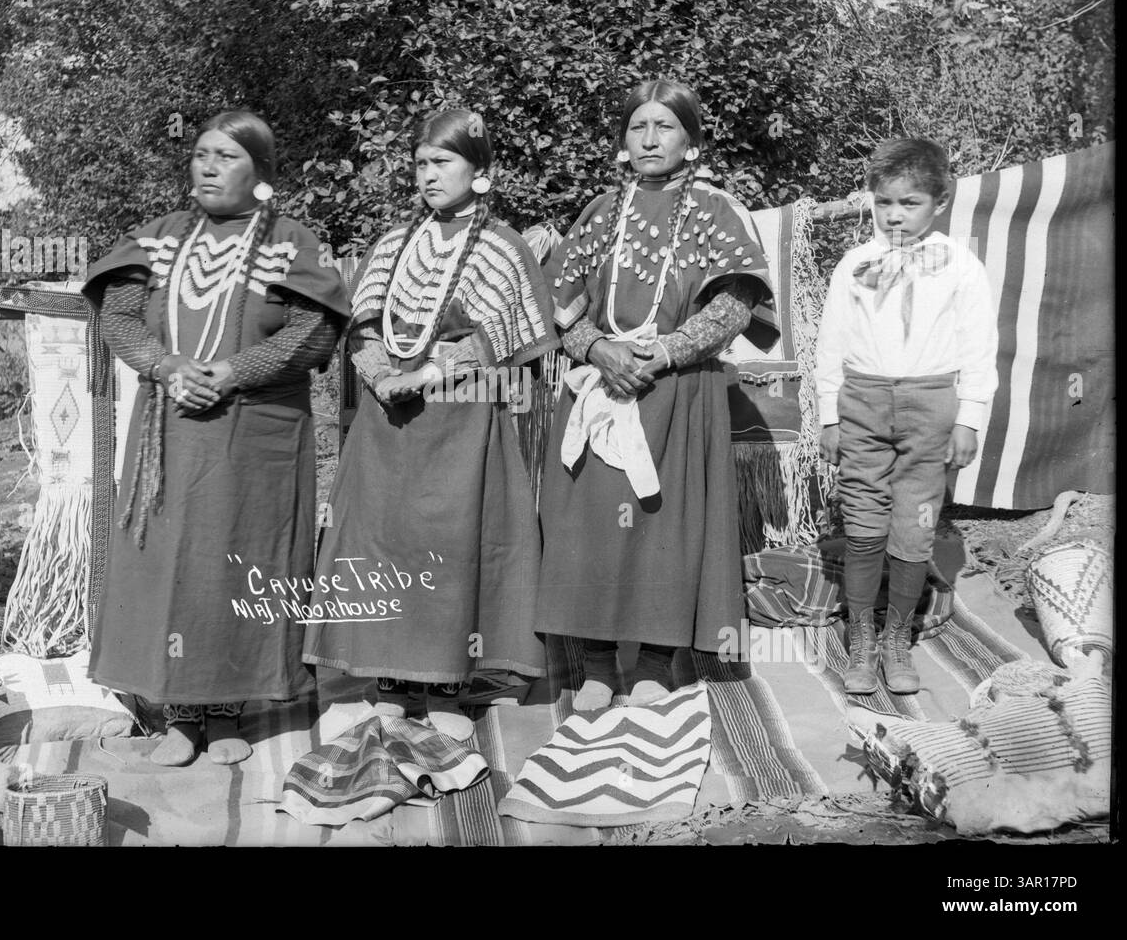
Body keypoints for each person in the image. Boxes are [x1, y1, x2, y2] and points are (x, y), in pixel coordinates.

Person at [82, 110, 350, 765]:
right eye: (200, 153)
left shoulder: (292, 242)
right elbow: (118, 316)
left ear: (260, 175)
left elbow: (312, 330)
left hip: (256, 434)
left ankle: (232, 708)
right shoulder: (162, 238)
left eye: (226, 156)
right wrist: (166, 366)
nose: (205, 165)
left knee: (239, 560)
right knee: (174, 561)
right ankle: (179, 712)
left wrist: (234, 370)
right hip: (172, 427)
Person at [303, 108, 558, 741]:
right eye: (420, 163)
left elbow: (507, 335)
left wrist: (428, 375)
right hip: (389, 424)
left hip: (462, 423)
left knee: (450, 545)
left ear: (480, 174)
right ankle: (388, 679)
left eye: (442, 162)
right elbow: (363, 324)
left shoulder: (503, 247)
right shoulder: (393, 244)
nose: (427, 174)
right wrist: (376, 371)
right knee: (382, 538)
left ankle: (448, 681)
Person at [536, 79, 778, 712]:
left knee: (659, 524)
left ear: (691, 142)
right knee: (588, 523)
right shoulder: (597, 213)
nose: (649, 138)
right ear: (623, 139)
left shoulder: (717, 209)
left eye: (665, 127)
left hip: (676, 391)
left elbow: (736, 302)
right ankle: (591, 660)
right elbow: (559, 309)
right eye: (638, 126)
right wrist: (597, 349)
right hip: (602, 387)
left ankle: (650, 659)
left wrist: (664, 351)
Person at [816, 137, 997, 695]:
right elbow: (831, 345)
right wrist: (829, 416)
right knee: (864, 524)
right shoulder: (855, 264)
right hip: (863, 403)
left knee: (916, 527)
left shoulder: (960, 266)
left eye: (910, 202)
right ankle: (862, 639)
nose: (894, 214)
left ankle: (898, 637)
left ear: (939, 203)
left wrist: (969, 418)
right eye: (884, 201)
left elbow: (979, 346)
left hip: (931, 406)